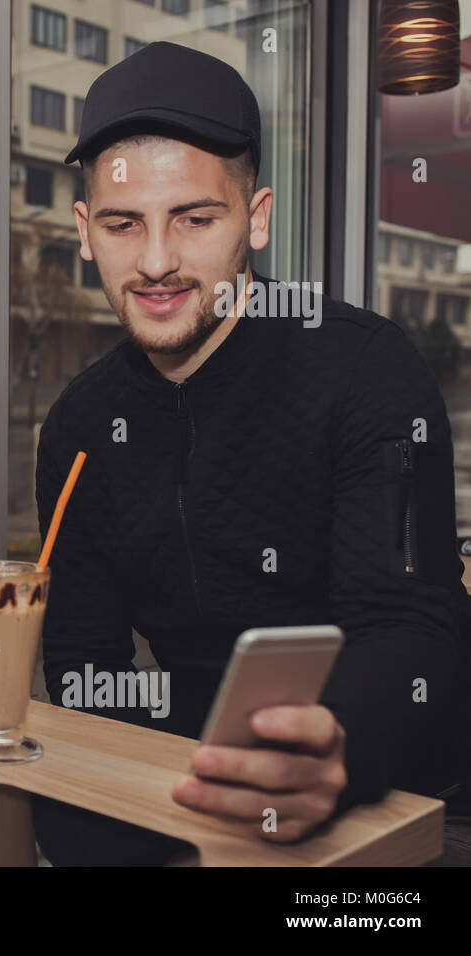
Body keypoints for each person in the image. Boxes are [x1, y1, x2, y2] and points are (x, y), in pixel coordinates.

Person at [34, 42, 469, 845]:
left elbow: (413, 637)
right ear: (86, 231)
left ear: (257, 218)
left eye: (195, 219)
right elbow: (85, 669)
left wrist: (333, 746)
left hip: (396, 794)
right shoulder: (78, 429)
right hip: (190, 792)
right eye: (125, 224)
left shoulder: (370, 370)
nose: (158, 261)